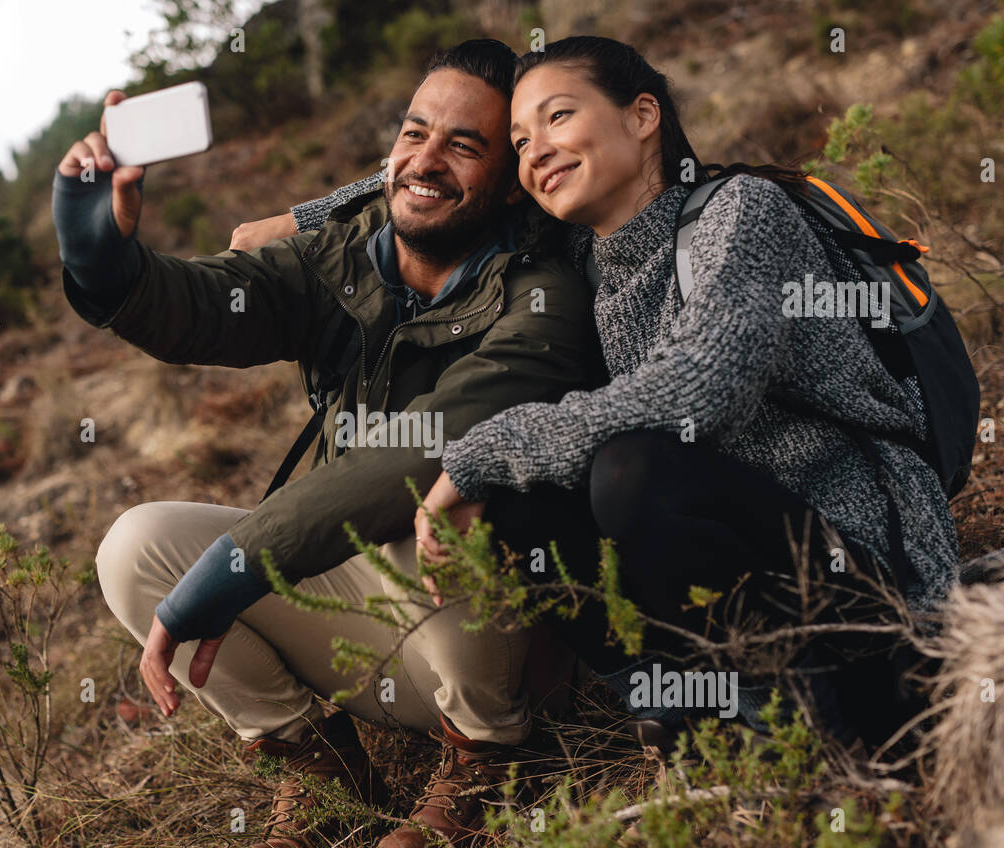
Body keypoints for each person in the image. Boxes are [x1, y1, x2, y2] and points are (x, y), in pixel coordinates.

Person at [250, 36, 962, 751]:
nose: (536, 153)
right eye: (521, 142)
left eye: (558, 117)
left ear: (643, 114)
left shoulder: (742, 214)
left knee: (629, 467)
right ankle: (688, 710)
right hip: (737, 573)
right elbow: (431, 174)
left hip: (865, 573)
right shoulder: (583, 259)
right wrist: (308, 217)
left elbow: (695, 391)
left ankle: (831, 718)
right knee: (521, 502)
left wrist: (478, 453)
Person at [52, 39, 607, 848]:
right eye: (415, 132)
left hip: (493, 640)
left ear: (510, 177)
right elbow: (206, 308)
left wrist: (234, 565)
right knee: (137, 547)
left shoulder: (544, 295)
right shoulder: (342, 253)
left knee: (453, 516)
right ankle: (323, 775)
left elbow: (415, 453)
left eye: (465, 145)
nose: (426, 160)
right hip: (368, 618)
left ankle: (489, 762)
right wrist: (105, 262)